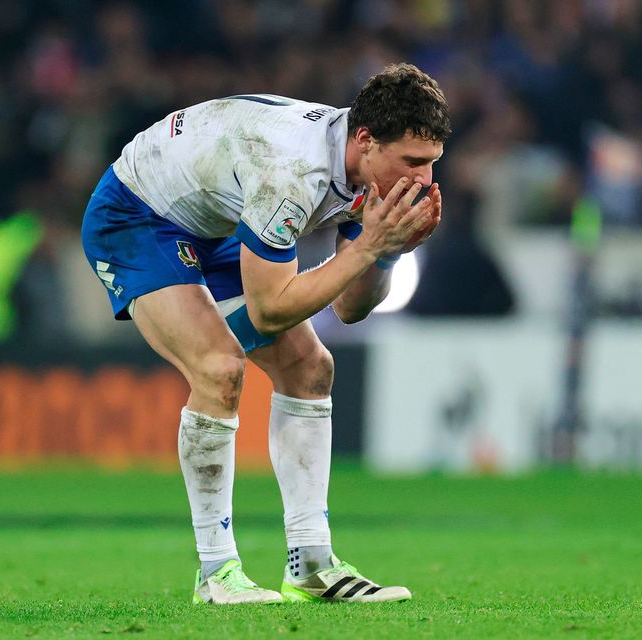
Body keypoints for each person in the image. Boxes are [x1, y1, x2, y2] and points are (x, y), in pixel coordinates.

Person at [81, 63, 450, 604]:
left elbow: (351, 307)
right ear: (366, 141)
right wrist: (368, 248)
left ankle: (311, 565)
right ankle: (216, 573)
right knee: (219, 367)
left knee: (312, 368)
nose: (423, 180)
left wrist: (389, 250)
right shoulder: (291, 172)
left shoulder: (365, 171)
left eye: (432, 162)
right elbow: (271, 309)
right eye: (413, 162)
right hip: (137, 216)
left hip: (213, 222)